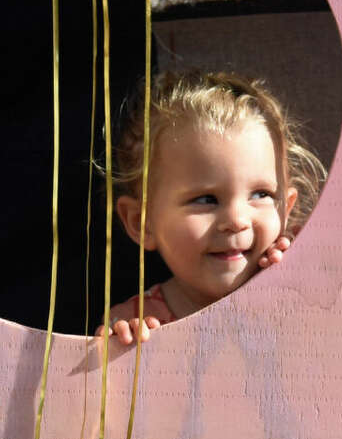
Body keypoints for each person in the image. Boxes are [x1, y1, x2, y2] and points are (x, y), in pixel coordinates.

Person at [104, 70, 324, 344]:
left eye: (261, 194)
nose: (236, 219)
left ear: (286, 208)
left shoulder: (303, 295)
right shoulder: (135, 324)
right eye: (206, 199)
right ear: (142, 222)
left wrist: (308, 284)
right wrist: (120, 356)